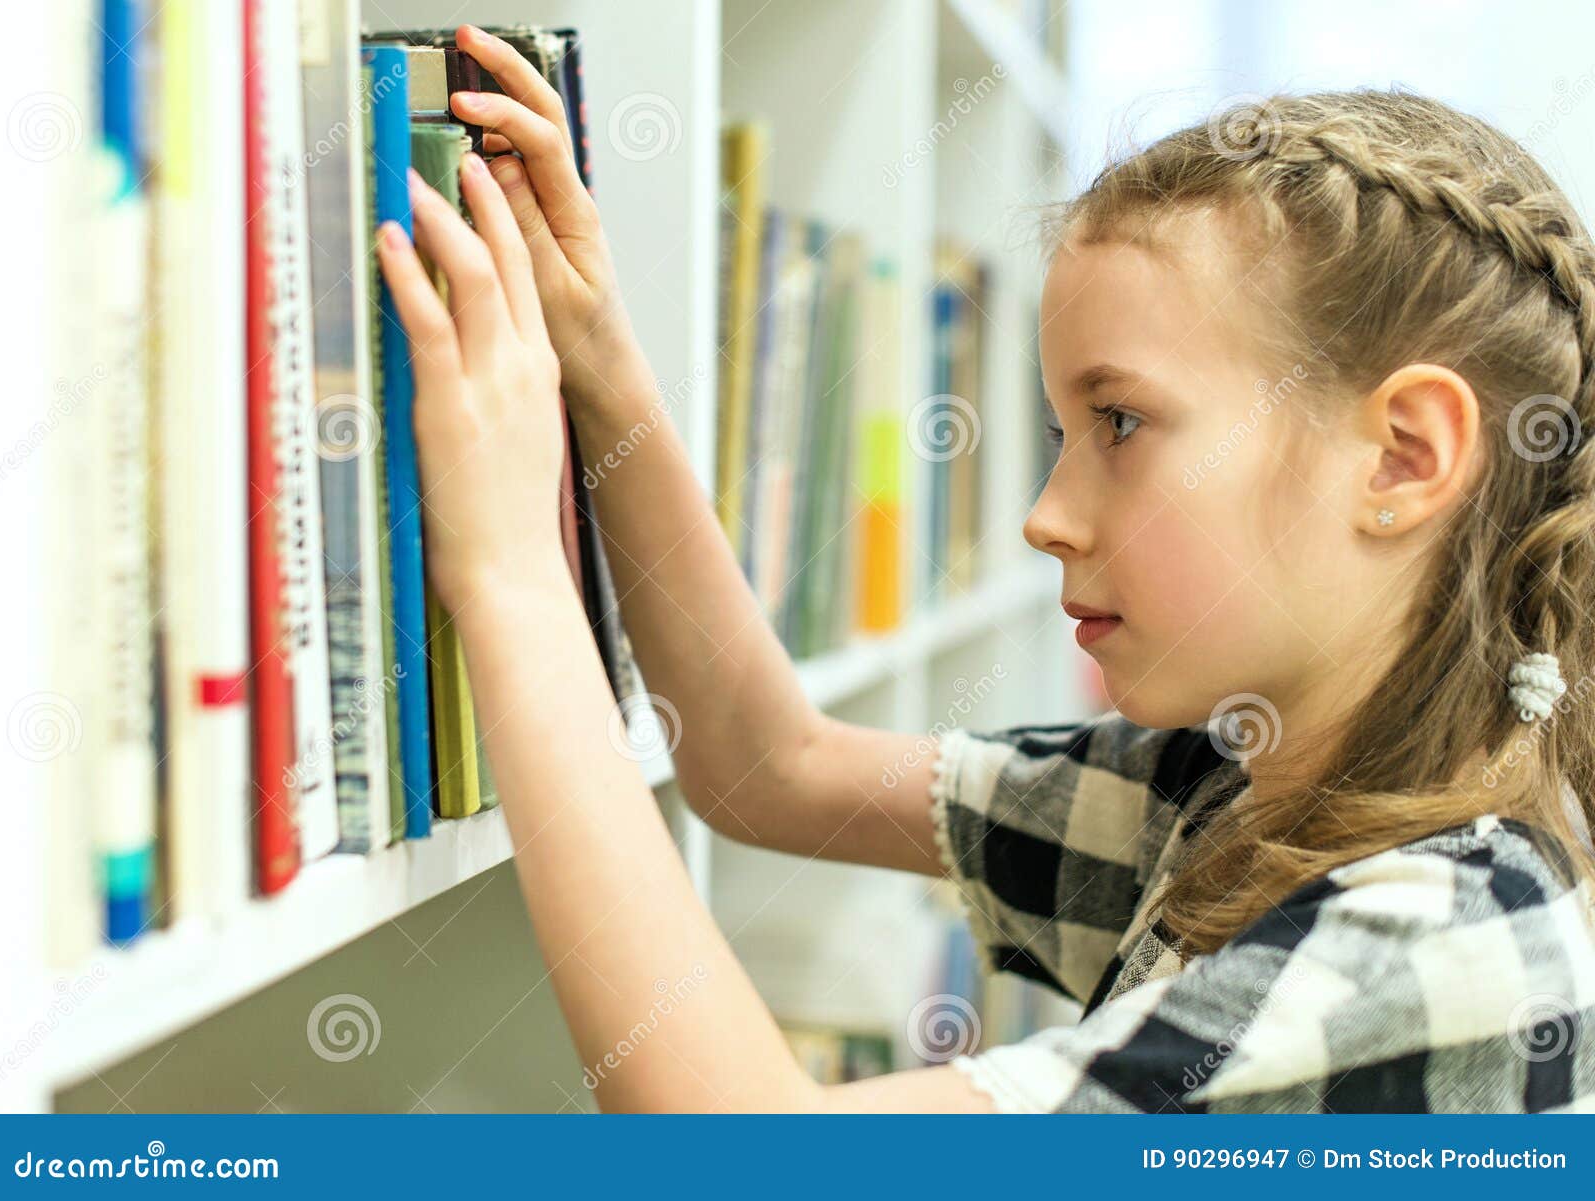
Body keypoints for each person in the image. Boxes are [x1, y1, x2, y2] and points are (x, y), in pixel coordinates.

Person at [374, 25, 1595, 1112]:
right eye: (1061, 436)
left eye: (1118, 425)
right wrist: (598, 366)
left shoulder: (1435, 943)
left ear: (1400, 456)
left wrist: (509, 573)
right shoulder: (1227, 787)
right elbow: (768, 769)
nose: (1046, 516)